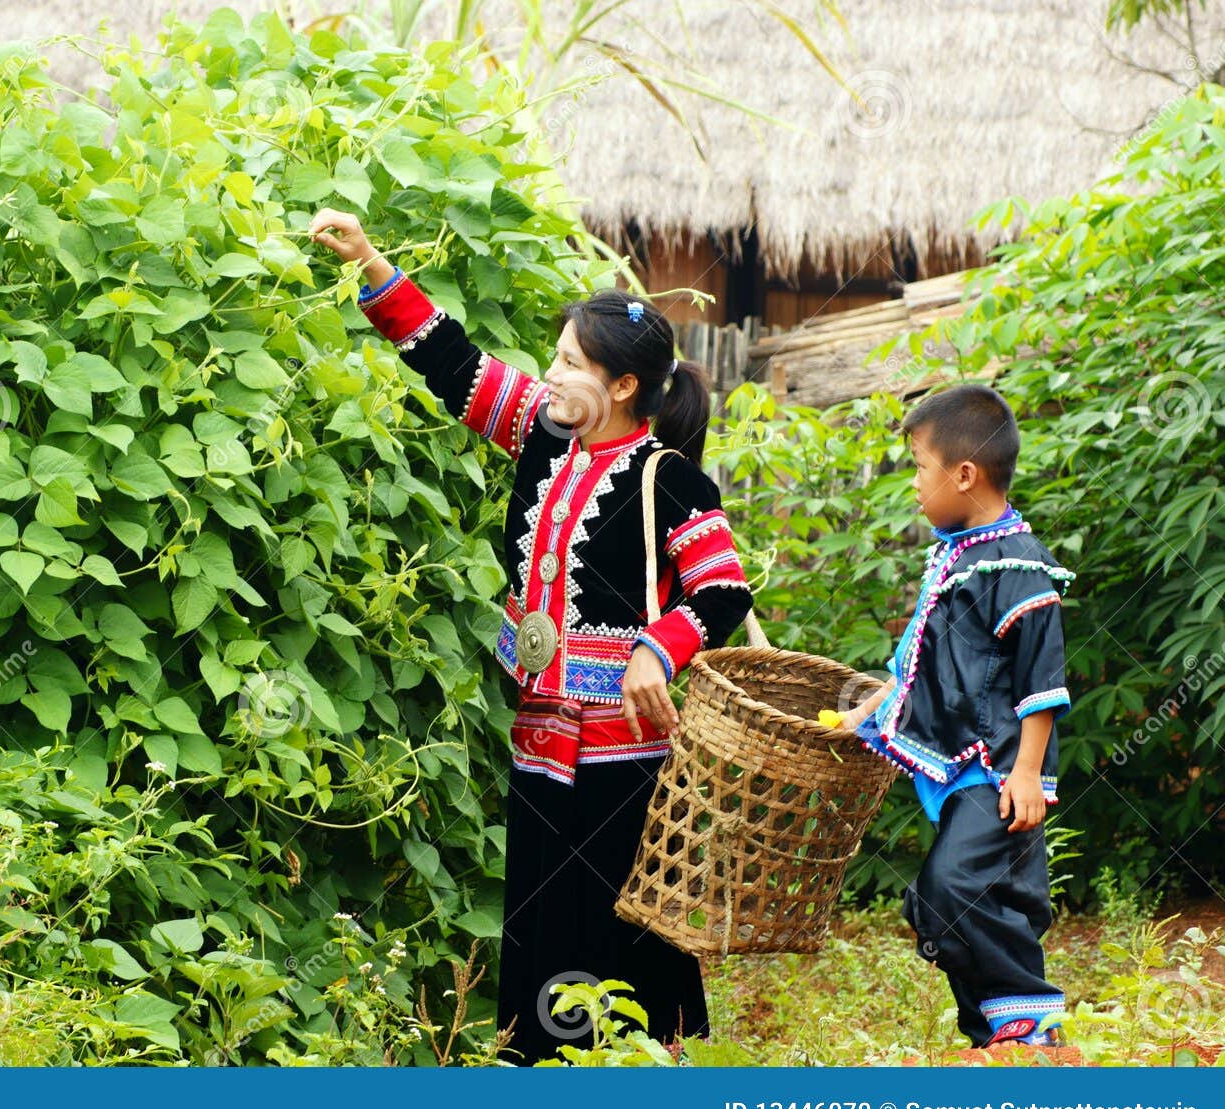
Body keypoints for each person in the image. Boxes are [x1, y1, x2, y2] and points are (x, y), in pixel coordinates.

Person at [308, 207, 754, 1064]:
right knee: (542, 917)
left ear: (622, 386)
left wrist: (657, 649)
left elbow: (722, 591)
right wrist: (370, 262)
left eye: (570, 362)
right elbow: (451, 361)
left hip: (625, 755)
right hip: (541, 737)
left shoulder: (671, 480)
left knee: (619, 924)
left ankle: (646, 1073)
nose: (550, 373)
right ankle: (541, 1071)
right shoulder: (541, 436)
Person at [833, 384, 1074, 1050]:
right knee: (955, 900)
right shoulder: (958, 553)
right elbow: (918, 660)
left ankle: (1035, 1024)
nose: (913, 483)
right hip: (963, 766)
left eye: (919, 466)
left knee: (951, 887)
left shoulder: (1018, 566)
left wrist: (1028, 773)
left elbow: (1042, 683)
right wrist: (868, 713)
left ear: (964, 474)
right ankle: (994, 1033)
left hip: (998, 769)